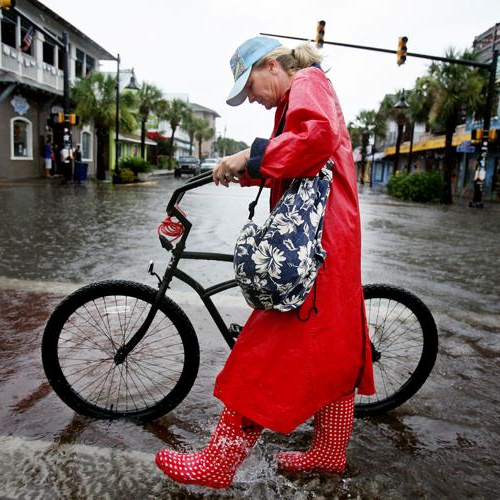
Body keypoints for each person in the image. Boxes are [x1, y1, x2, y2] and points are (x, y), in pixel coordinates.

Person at [155, 36, 375, 489]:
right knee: (336, 349)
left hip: (314, 246)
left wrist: (248, 155)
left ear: (272, 65)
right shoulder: (298, 97)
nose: (251, 98)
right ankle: (329, 451)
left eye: (250, 87)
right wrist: (245, 168)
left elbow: (314, 139)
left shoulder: (308, 82)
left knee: (264, 348)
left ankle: (219, 463)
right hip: (333, 239)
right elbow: (297, 156)